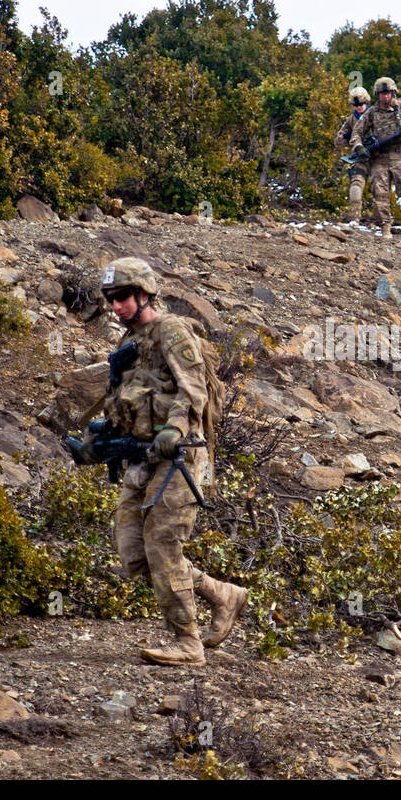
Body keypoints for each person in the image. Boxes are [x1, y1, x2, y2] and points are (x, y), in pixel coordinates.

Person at [90, 258, 248, 665]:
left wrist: (174, 429)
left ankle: (187, 643)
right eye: (110, 298)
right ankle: (222, 595)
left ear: (145, 294)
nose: (116, 305)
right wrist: (99, 440)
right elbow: (123, 402)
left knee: (163, 544)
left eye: (122, 296)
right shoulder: (127, 346)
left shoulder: (172, 331)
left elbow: (193, 391)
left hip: (180, 457)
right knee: (133, 551)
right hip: (141, 457)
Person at [349, 77, 401, 238]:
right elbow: (356, 132)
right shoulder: (371, 113)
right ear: (377, 95)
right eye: (381, 94)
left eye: (388, 93)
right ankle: (385, 225)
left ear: (393, 93)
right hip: (380, 157)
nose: (385, 97)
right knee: (380, 192)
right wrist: (359, 147)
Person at [335, 87, 371, 224]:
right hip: (359, 156)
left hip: (378, 156)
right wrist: (347, 136)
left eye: (362, 104)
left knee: (381, 187)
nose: (359, 107)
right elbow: (337, 142)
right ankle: (354, 218)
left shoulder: (375, 115)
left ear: (366, 102)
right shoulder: (350, 120)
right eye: (356, 105)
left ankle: (383, 220)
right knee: (356, 183)